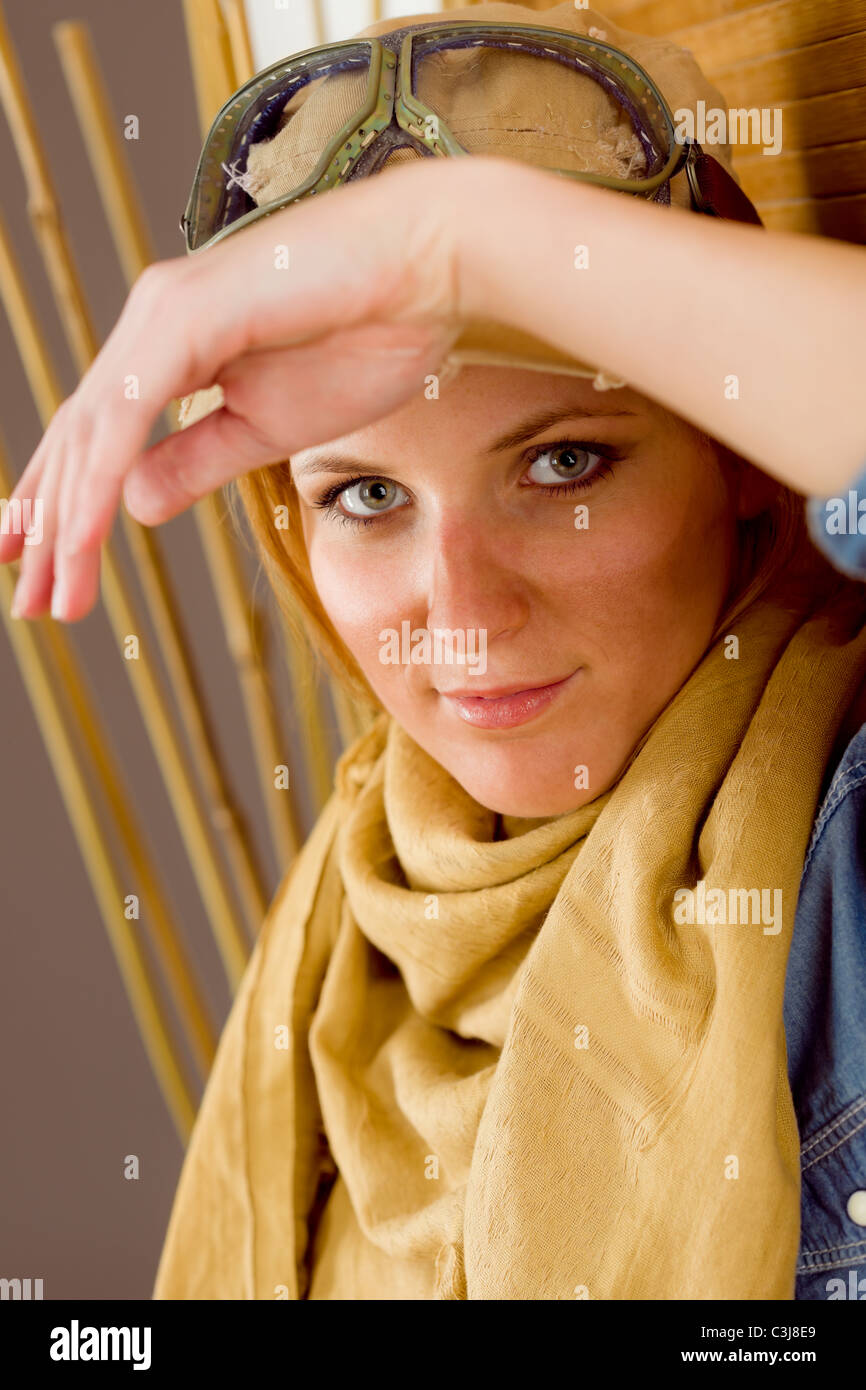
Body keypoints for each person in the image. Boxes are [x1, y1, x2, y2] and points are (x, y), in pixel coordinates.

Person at [2, 3, 866, 1299]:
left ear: (734, 458)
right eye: (363, 495)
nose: (457, 605)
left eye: (561, 461)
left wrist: (451, 248)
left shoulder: (835, 883)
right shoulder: (346, 934)